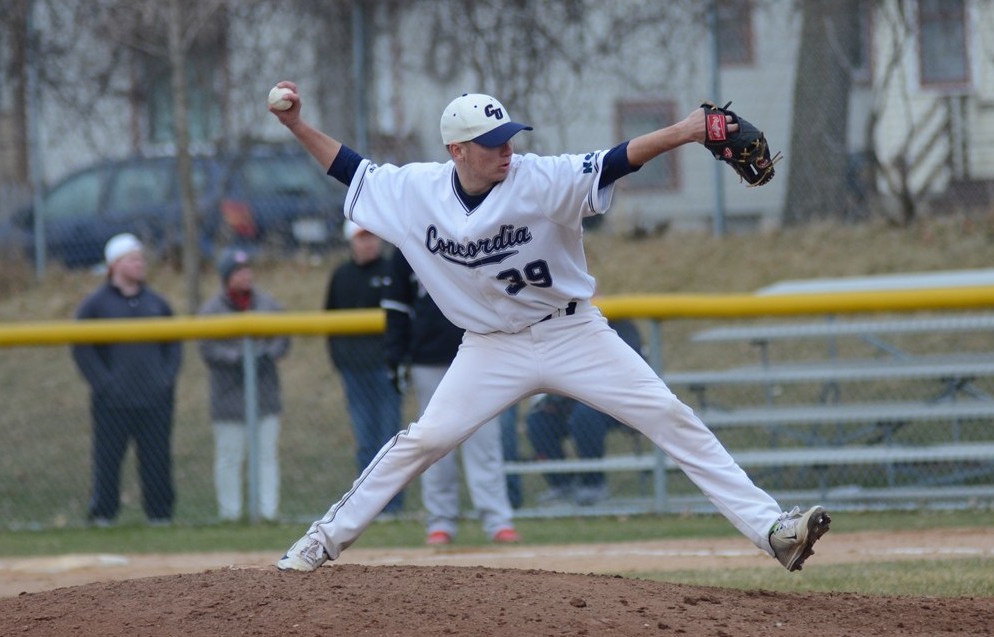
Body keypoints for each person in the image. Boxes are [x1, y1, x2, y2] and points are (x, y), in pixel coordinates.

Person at [271, 87, 830, 573]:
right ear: (457, 151)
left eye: (509, 135)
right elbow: (350, 168)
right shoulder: (416, 190)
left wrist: (686, 131)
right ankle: (319, 542)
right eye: (493, 141)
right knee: (427, 439)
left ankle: (772, 530)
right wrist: (296, 124)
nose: (507, 148)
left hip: (573, 334)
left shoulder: (539, 177)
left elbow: (617, 160)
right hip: (490, 348)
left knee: (668, 415)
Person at [382, 249, 519, 545]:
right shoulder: (409, 240)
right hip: (428, 358)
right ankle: (440, 521)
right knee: (433, 443)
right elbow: (396, 306)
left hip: (484, 351)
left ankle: (497, 520)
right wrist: (395, 354)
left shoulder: (476, 230)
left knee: (485, 441)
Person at [72, 233, 182, 526]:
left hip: (154, 399)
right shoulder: (95, 305)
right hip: (113, 402)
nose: (140, 264)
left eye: (141, 258)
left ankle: (160, 515)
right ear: (115, 264)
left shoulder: (157, 303)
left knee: (157, 460)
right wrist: (104, 383)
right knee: (107, 460)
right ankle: (103, 514)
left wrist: (165, 379)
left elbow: (174, 346)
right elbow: (81, 348)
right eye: (133, 259)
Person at [198, 248, 292, 522]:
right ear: (226, 277)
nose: (245, 275)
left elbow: (284, 337)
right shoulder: (212, 310)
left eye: (247, 269)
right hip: (230, 396)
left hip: (264, 393)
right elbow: (207, 348)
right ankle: (230, 514)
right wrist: (238, 358)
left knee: (266, 456)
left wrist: (268, 354)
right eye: (238, 271)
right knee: (230, 456)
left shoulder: (267, 304)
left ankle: (268, 512)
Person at [326, 220, 403, 516]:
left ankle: (393, 506)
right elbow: (329, 322)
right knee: (365, 440)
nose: (368, 243)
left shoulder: (390, 270)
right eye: (361, 238)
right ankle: (365, 508)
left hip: (386, 370)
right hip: (355, 373)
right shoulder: (341, 276)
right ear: (351, 242)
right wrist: (340, 361)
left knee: (390, 440)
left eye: (372, 237)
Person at [526, 319, 644, 507]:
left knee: (585, 415)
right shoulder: (566, 323)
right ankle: (561, 485)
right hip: (573, 400)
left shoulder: (620, 324)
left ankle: (593, 484)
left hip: (614, 400)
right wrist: (554, 398)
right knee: (539, 420)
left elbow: (625, 370)